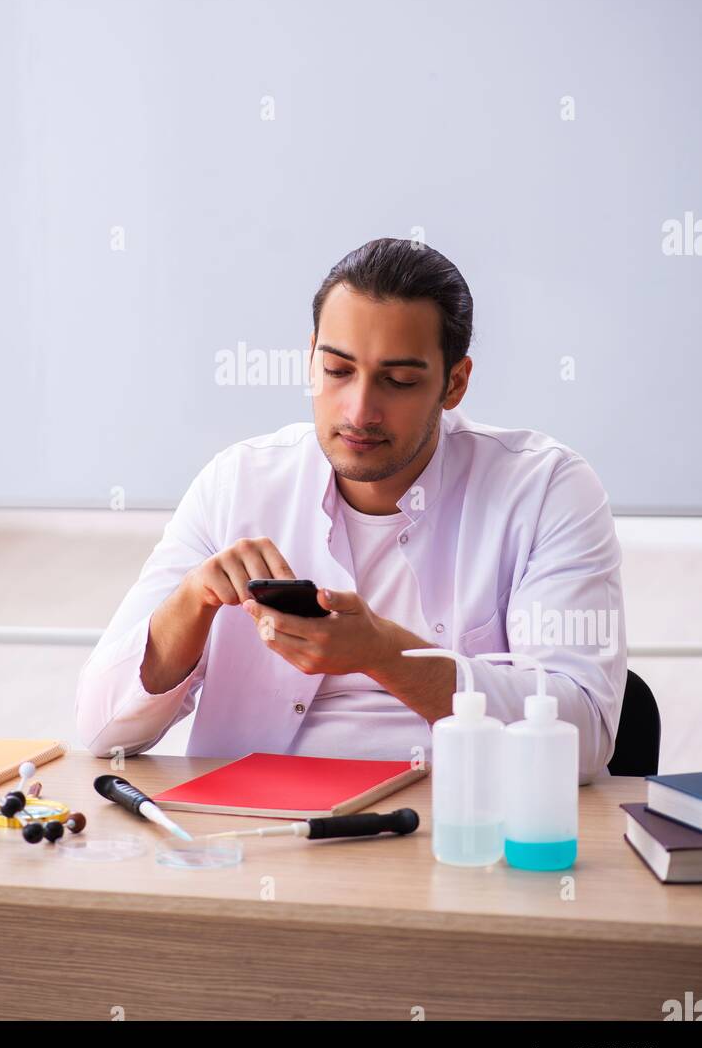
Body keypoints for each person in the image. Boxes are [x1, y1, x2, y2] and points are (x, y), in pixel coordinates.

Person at [75, 237, 627, 782]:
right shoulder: (238, 482)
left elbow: (581, 735)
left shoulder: (547, 488)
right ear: (310, 359)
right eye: (338, 371)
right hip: (250, 831)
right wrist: (191, 606)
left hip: (459, 825)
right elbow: (101, 733)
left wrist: (387, 653)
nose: (360, 410)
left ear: (454, 383)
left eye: (399, 381)